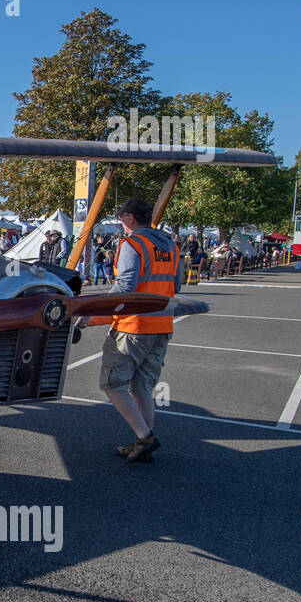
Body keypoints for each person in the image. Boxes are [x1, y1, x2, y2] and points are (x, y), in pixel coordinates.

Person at [84, 197, 184, 464]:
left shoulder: (133, 243)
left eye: (121, 219)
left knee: (112, 383)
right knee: (142, 388)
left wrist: (94, 312)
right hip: (162, 325)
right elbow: (178, 284)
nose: (120, 223)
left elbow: (125, 286)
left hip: (134, 325)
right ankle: (143, 442)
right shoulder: (170, 246)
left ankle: (144, 436)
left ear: (129, 218)